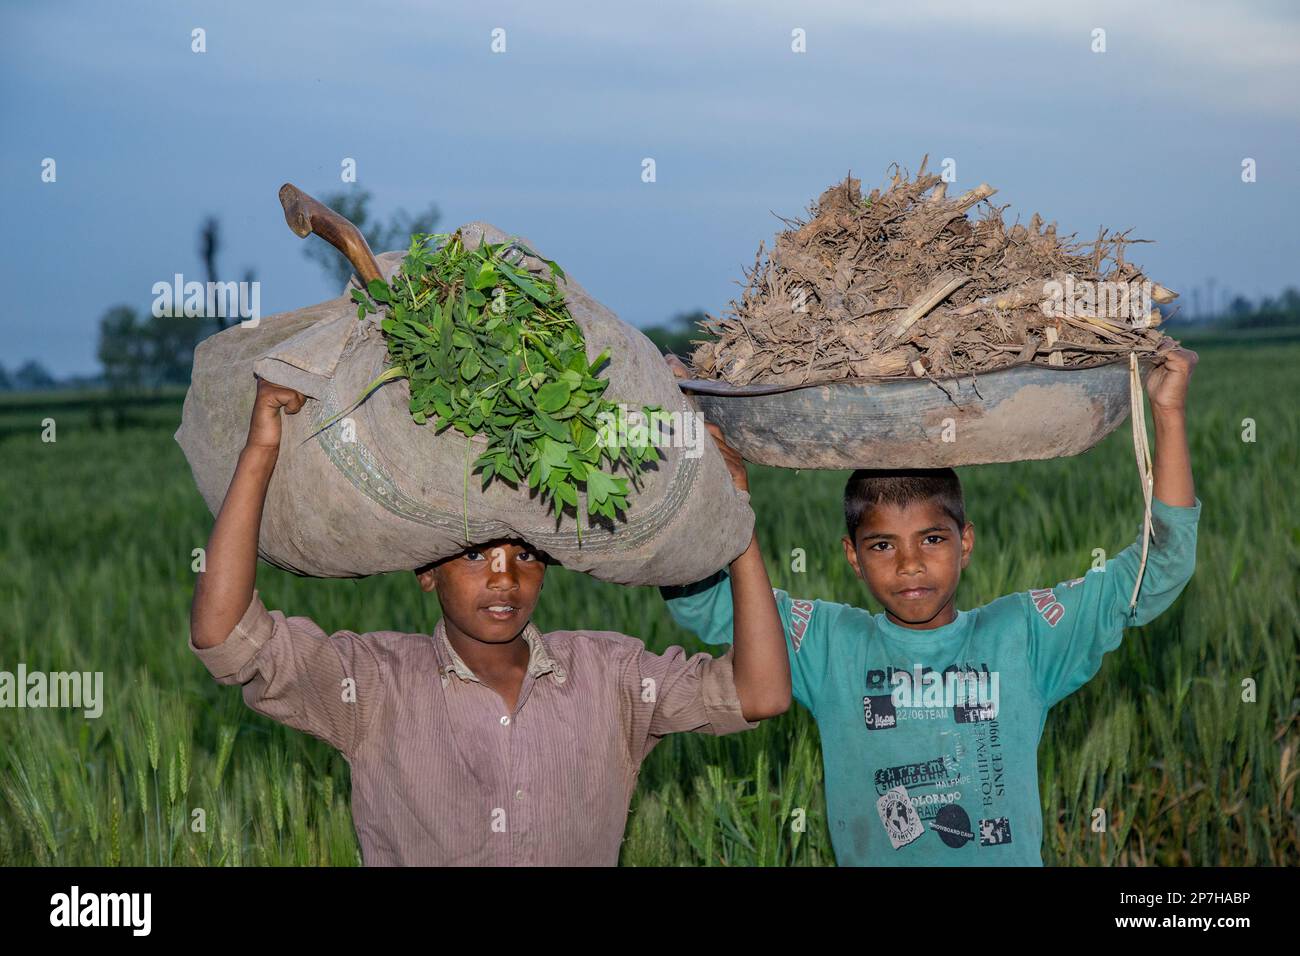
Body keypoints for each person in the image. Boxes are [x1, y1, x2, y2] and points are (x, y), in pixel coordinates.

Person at [189, 377, 791, 865]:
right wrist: (262, 450)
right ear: (425, 573)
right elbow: (226, 637)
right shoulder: (371, 683)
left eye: (525, 556)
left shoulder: (611, 673)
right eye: (476, 555)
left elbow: (758, 694)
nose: (505, 578)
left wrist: (734, 518)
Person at [662, 347, 1201, 865]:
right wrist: (725, 498)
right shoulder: (828, 645)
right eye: (882, 546)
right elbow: (705, 599)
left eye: (932, 540)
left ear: (965, 542)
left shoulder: (1023, 636)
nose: (909, 564)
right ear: (853, 556)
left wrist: (1168, 413)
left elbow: (1156, 571)